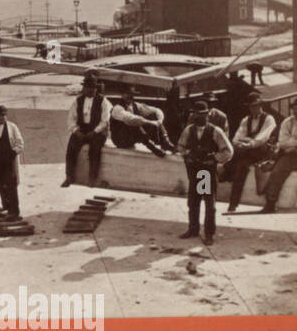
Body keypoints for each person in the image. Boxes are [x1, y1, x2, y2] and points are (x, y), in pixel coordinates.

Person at [175, 101, 233, 245]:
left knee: (208, 203)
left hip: (206, 171)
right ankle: (193, 229)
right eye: (195, 113)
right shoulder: (189, 130)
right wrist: (187, 154)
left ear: (207, 114)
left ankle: (209, 233)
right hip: (193, 169)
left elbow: (228, 151)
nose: (198, 116)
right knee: (193, 201)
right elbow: (180, 146)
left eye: (201, 114)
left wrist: (214, 158)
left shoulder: (215, 131)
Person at [259, 98, 297, 222]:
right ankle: (270, 204)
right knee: (276, 173)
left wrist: (296, 147)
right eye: (295, 109)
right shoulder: (287, 122)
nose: (296, 112)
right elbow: (282, 142)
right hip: (290, 155)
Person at [226, 93, 277, 212]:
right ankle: (233, 203)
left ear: (261, 105)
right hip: (248, 152)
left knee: (239, 161)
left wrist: (249, 143)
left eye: (256, 106)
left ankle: (226, 170)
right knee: (241, 167)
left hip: (262, 151)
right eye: (251, 106)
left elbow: (263, 137)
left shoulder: (269, 119)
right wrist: (241, 143)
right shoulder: (246, 119)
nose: (253, 109)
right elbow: (238, 136)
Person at [63, 76, 112, 187]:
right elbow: (71, 119)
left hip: (97, 131)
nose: (90, 90)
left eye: (93, 87)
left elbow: (105, 121)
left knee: (95, 150)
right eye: (88, 87)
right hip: (82, 130)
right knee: (71, 147)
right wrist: (76, 131)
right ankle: (69, 176)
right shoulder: (78, 100)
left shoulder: (103, 101)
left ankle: (92, 178)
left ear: (96, 88)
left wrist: (95, 132)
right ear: (84, 88)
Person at [110, 88, 174, 157]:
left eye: (132, 94)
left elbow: (157, 110)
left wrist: (159, 121)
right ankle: (153, 148)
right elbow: (131, 119)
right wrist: (151, 122)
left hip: (131, 137)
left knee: (153, 116)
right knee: (135, 124)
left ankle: (165, 142)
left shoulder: (136, 105)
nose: (130, 96)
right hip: (120, 139)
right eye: (128, 94)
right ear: (122, 95)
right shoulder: (117, 108)